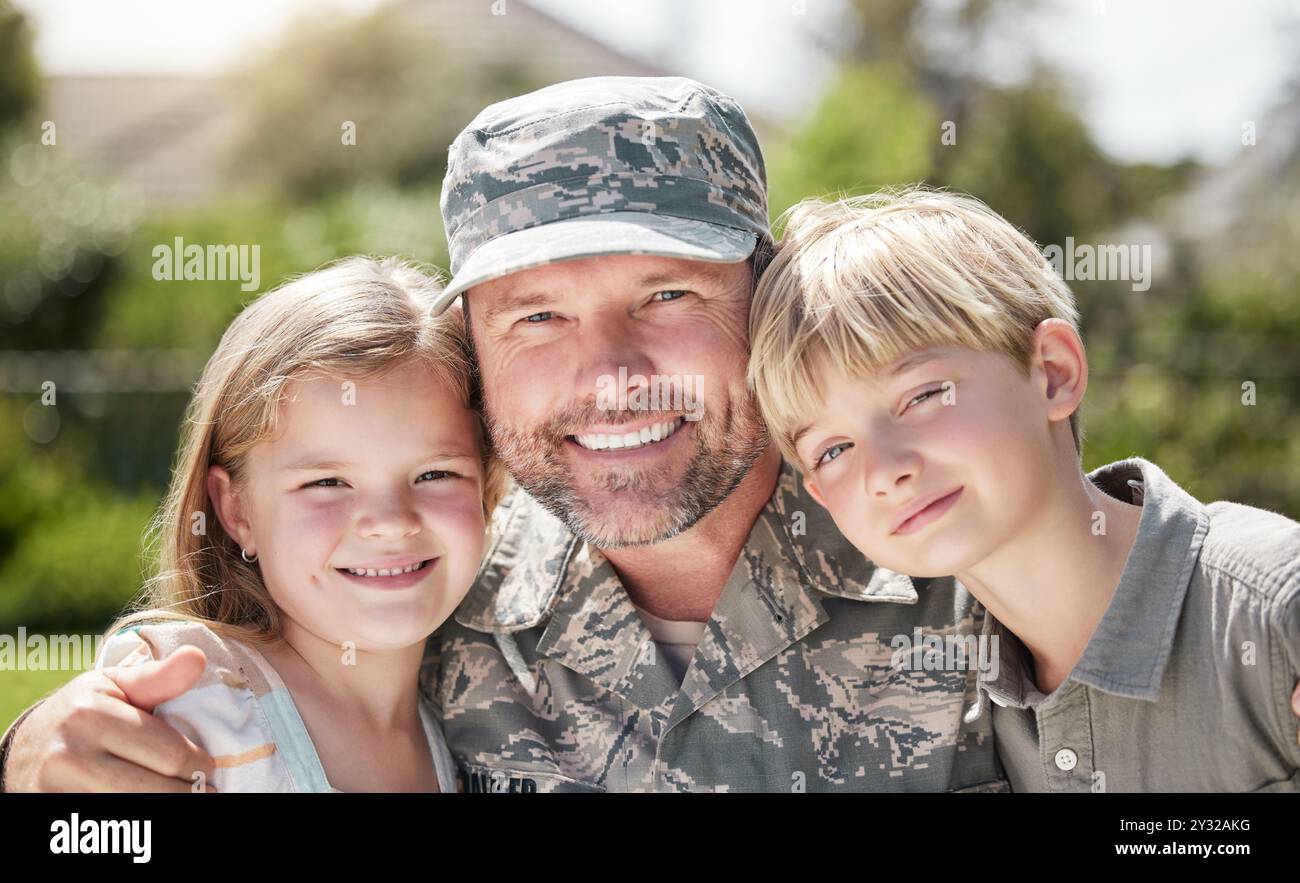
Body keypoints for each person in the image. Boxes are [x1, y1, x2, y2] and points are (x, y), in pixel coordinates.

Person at [5, 78, 1298, 793]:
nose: (609, 372)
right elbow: (220, 695)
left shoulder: (945, 532)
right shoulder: (423, 587)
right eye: (538, 318)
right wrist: (48, 765)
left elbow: (1177, 608)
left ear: (768, 298)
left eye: (668, 297)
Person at [746, 188, 1300, 791]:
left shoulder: (1270, 613)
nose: (884, 471)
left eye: (924, 396)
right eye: (834, 450)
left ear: (1054, 374)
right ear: (820, 495)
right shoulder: (928, 696)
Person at [47, 256, 500, 791]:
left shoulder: (467, 727)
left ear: (486, 490)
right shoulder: (194, 707)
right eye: (327, 483)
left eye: (435, 473)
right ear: (237, 511)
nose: (390, 523)